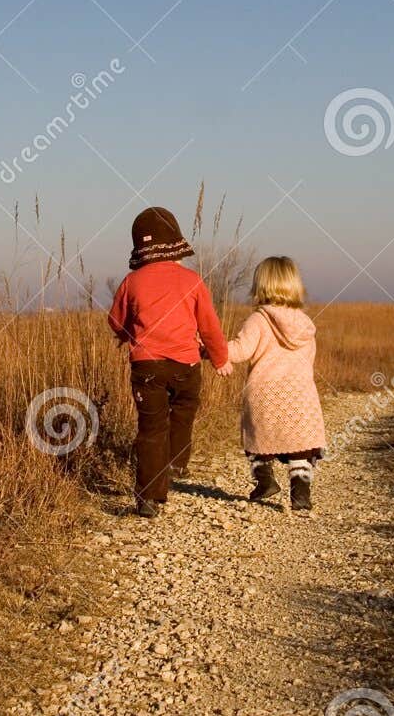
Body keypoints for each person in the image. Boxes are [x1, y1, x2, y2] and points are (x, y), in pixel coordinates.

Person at [107, 206, 228, 518]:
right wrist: (220, 359)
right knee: (184, 411)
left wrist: (126, 334)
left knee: (151, 429)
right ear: (177, 245)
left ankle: (149, 496)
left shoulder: (132, 282)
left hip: (147, 367)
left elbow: (116, 321)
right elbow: (209, 327)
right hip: (186, 365)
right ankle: (176, 462)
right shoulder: (192, 281)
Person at [215, 256, 326, 512]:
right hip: (301, 394)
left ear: (260, 285)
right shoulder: (305, 324)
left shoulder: (259, 319)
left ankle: (265, 481)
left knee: (256, 439)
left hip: (265, 392)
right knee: (300, 446)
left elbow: (241, 350)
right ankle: (300, 493)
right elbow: (309, 359)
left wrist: (213, 349)